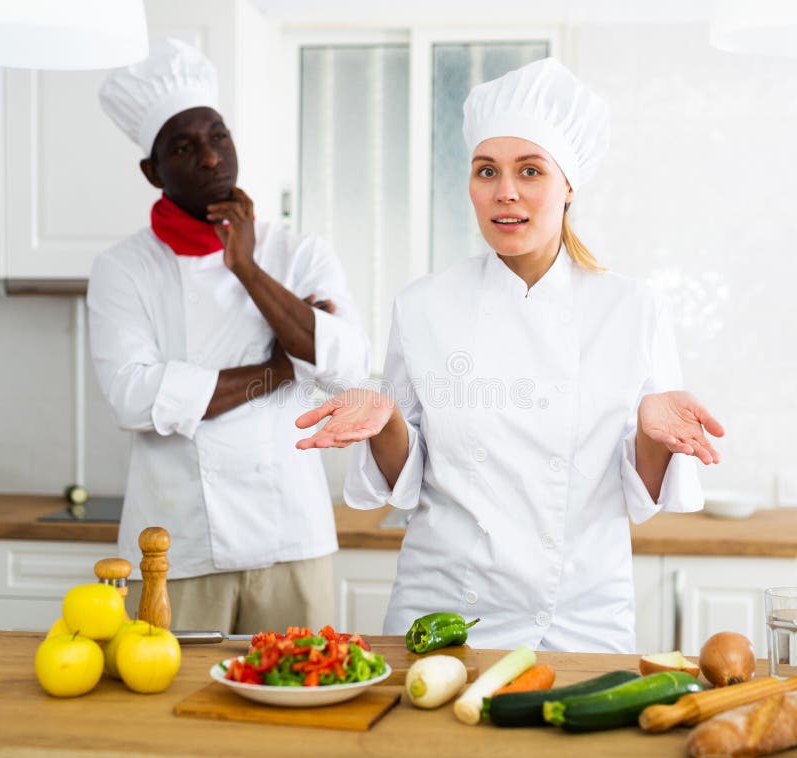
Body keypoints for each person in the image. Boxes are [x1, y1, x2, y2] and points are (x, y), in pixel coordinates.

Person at [294, 57, 724, 652]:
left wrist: (650, 435)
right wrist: (389, 421)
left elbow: (640, 487)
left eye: (530, 171)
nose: (506, 193)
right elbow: (406, 474)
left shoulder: (633, 310)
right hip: (443, 608)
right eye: (486, 171)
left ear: (569, 184)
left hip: (580, 617)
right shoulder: (423, 306)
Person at [89, 39, 369, 632]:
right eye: (184, 147)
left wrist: (245, 264)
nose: (212, 159)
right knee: (174, 715)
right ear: (152, 170)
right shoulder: (124, 269)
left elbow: (344, 365)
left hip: (292, 534)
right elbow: (133, 397)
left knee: (305, 705)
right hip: (178, 544)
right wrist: (278, 370)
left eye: (218, 137)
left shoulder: (297, 253)